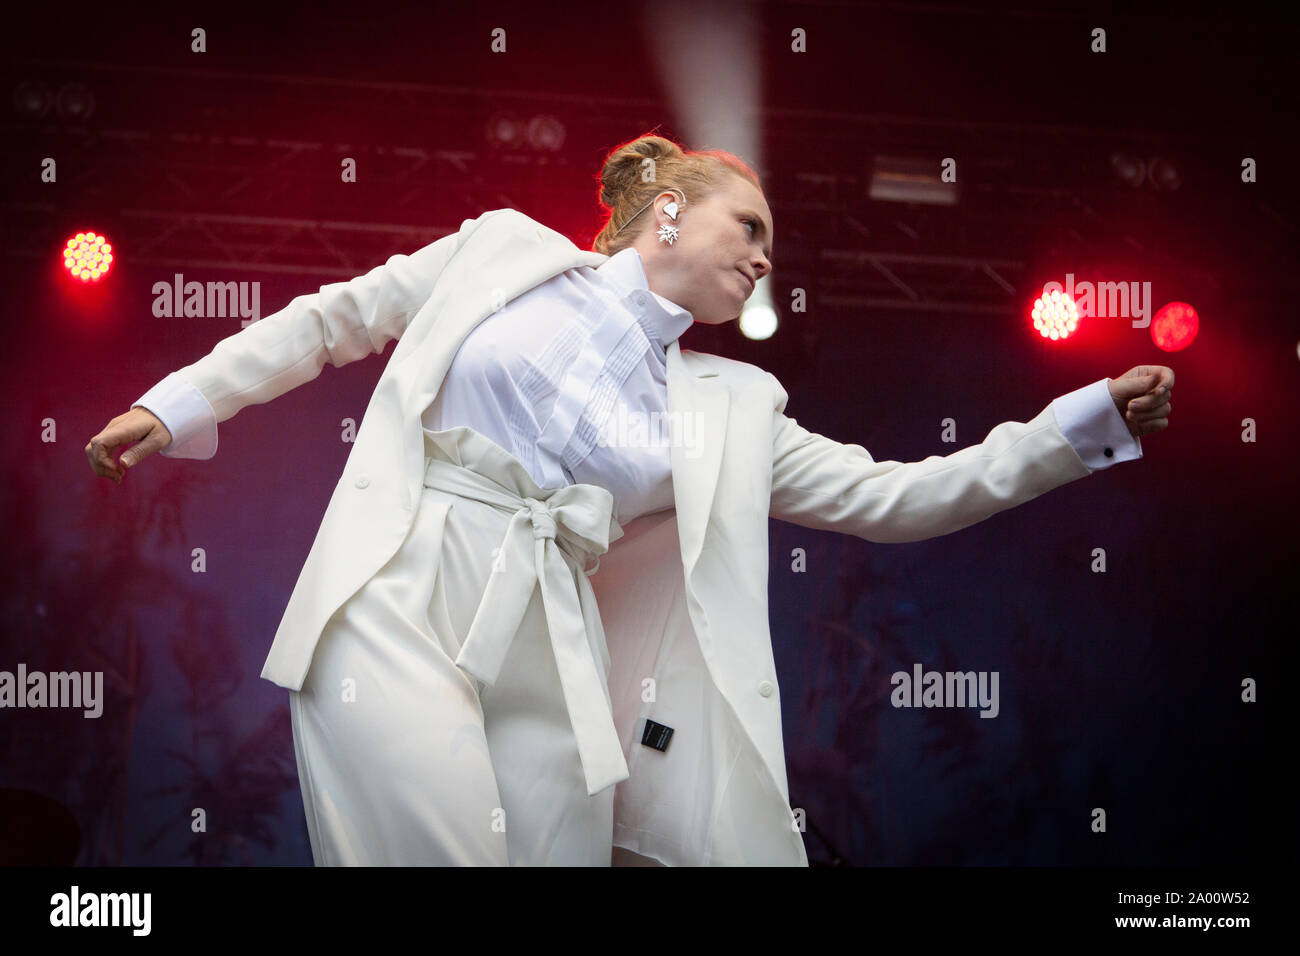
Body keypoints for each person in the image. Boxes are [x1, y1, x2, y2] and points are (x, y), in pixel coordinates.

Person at [85, 134, 1175, 866]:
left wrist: (1078, 427)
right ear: (667, 213)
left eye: (771, 247)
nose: (763, 257)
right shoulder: (504, 253)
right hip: (399, 590)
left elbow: (902, 495)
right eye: (748, 228)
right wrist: (177, 402)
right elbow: (335, 319)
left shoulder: (733, 405)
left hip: (553, 653)